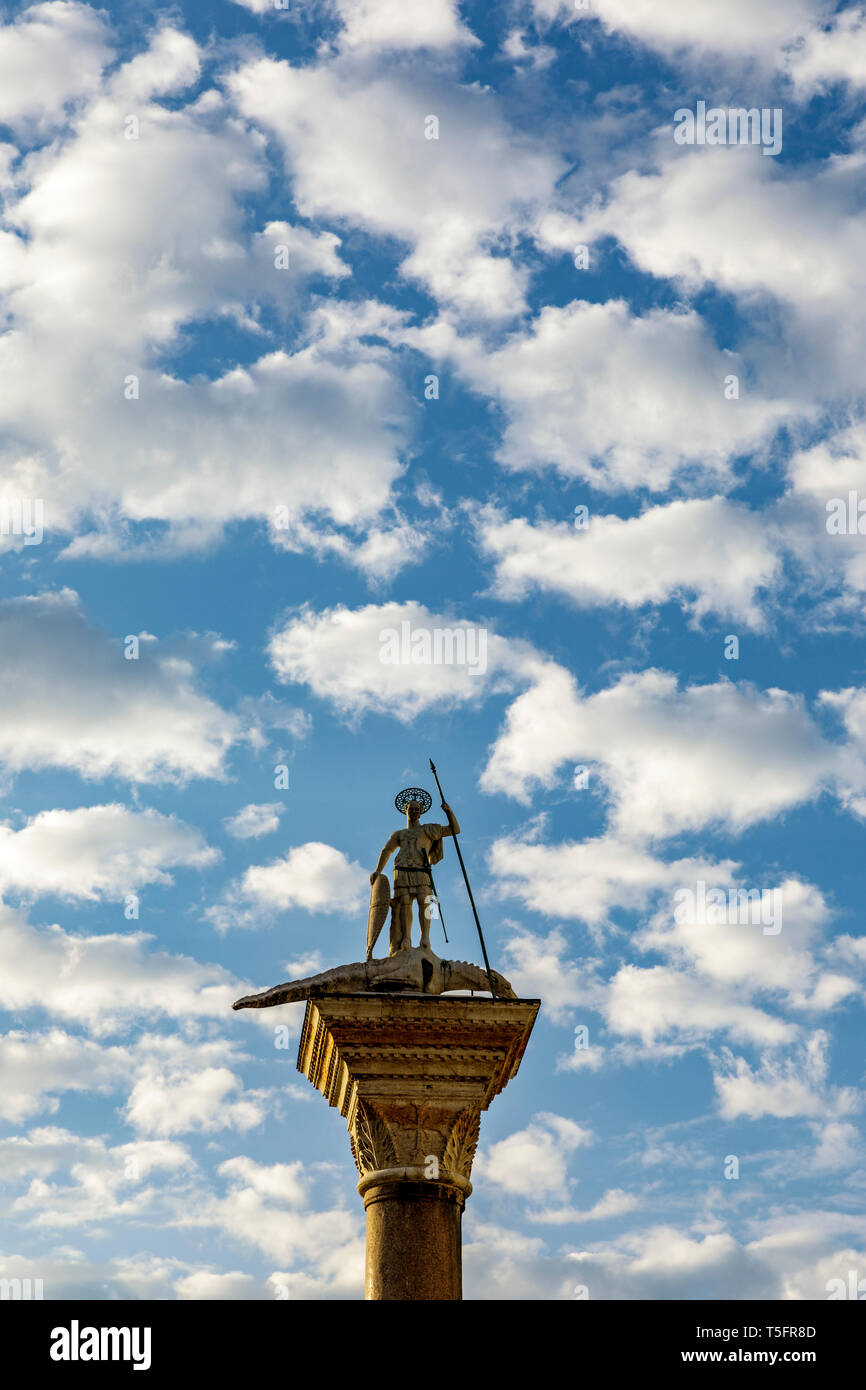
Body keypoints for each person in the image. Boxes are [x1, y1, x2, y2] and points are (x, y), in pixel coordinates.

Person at [370, 794, 460, 952]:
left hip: (421, 869)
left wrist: (449, 812)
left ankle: (425, 938)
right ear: (405, 810)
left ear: (421, 812)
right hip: (402, 869)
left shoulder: (429, 829)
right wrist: (378, 870)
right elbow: (387, 850)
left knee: (426, 902)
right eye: (411, 809)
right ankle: (406, 938)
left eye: (417, 809)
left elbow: (454, 829)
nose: (414, 811)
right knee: (404, 903)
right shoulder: (399, 834)